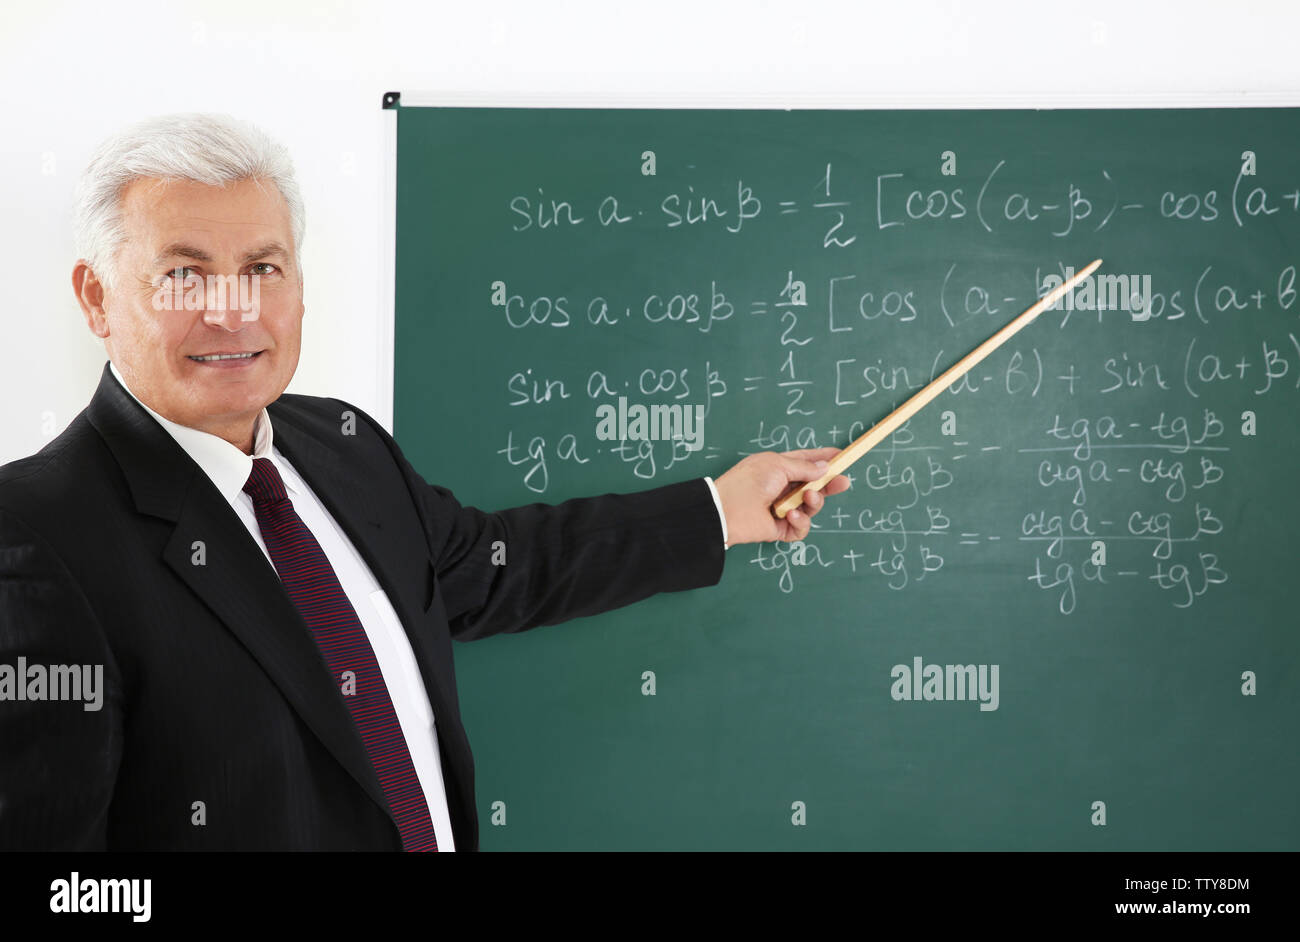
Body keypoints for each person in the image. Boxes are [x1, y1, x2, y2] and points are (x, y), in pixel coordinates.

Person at [0, 113, 849, 851]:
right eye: (185, 273)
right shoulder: (36, 534)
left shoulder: (342, 445)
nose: (233, 310)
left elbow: (489, 568)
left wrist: (718, 511)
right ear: (97, 297)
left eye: (263, 267)